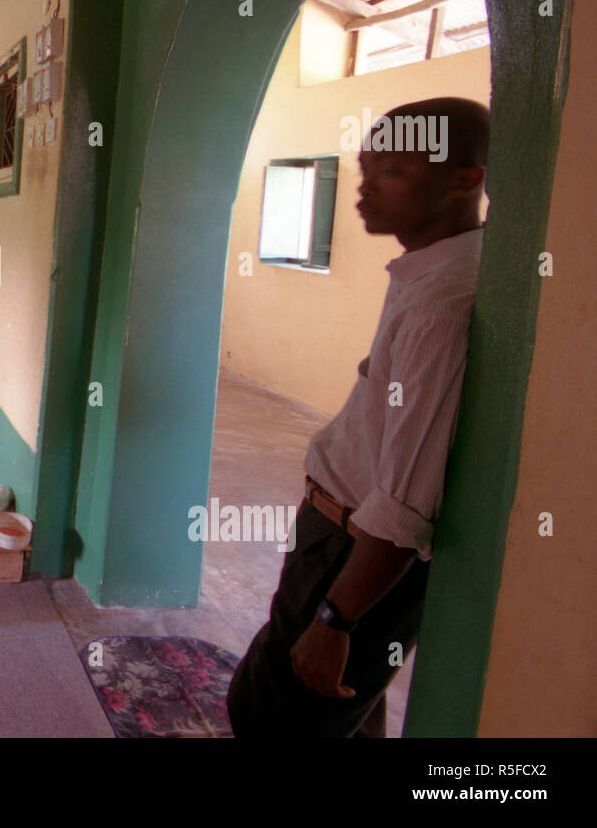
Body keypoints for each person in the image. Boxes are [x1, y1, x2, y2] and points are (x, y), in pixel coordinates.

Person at [226, 96, 490, 737]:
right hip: (332, 536)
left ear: (463, 180)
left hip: (353, 557)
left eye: (390, 171)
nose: (364, 188)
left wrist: (336, 620)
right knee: (341, 709)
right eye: (365, 167)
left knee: (269, 715)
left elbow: (404, 505)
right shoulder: (429, 272)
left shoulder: (442, 301)